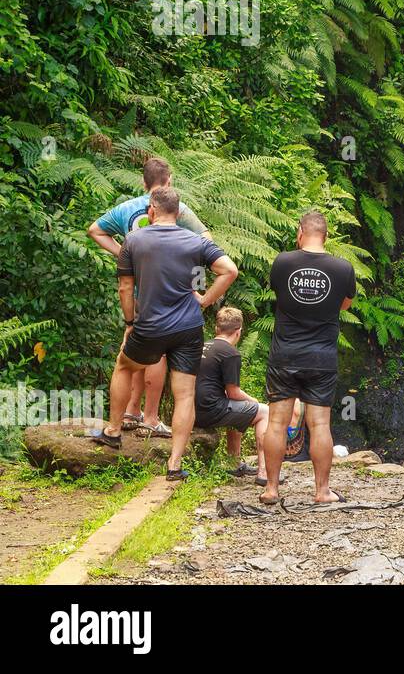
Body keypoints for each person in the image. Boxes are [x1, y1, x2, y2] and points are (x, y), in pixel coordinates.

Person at [91, 187, 238, 481]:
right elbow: (229, 270)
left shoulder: (133, 240)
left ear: (151, 212)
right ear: (179, 213)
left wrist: (130, 321)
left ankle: (114, 430)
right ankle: (174, 464)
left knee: (124, 365)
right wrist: (205, 300)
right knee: (184, 394)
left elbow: (125, 287)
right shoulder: (195, 241)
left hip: (150, 326)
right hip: (188, 327)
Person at [87, 156, 209, 436]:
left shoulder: (127, 208)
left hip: (138, 292)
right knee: (159, 354)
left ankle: (130, 411)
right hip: (172, 294)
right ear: (169, 181)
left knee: (133, 351)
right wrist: (197, 286)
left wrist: (124, 255)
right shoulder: (180, 209)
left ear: (143, 182)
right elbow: (205, 244)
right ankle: (150, 416)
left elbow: (95, 230)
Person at [258, 212, 355, 505]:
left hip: (284, 355)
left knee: (276, 422)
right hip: (321, 357)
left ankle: (271, 489)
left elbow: (278, 293)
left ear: (301, 232)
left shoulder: (283, 262)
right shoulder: (342, 268)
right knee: (320, 424)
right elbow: (344, 304)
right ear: (325, 235)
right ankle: (322, 491)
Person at [194, 307, 270, 482]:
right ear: (239, 332)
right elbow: (234, 393)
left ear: (216, 329)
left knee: (238, 409)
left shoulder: (203, 346)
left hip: (191, 410)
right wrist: (255, 402)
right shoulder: (230, 353)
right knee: (264, 411)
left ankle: (233, 462)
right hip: (209, 410)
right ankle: (264, 472)